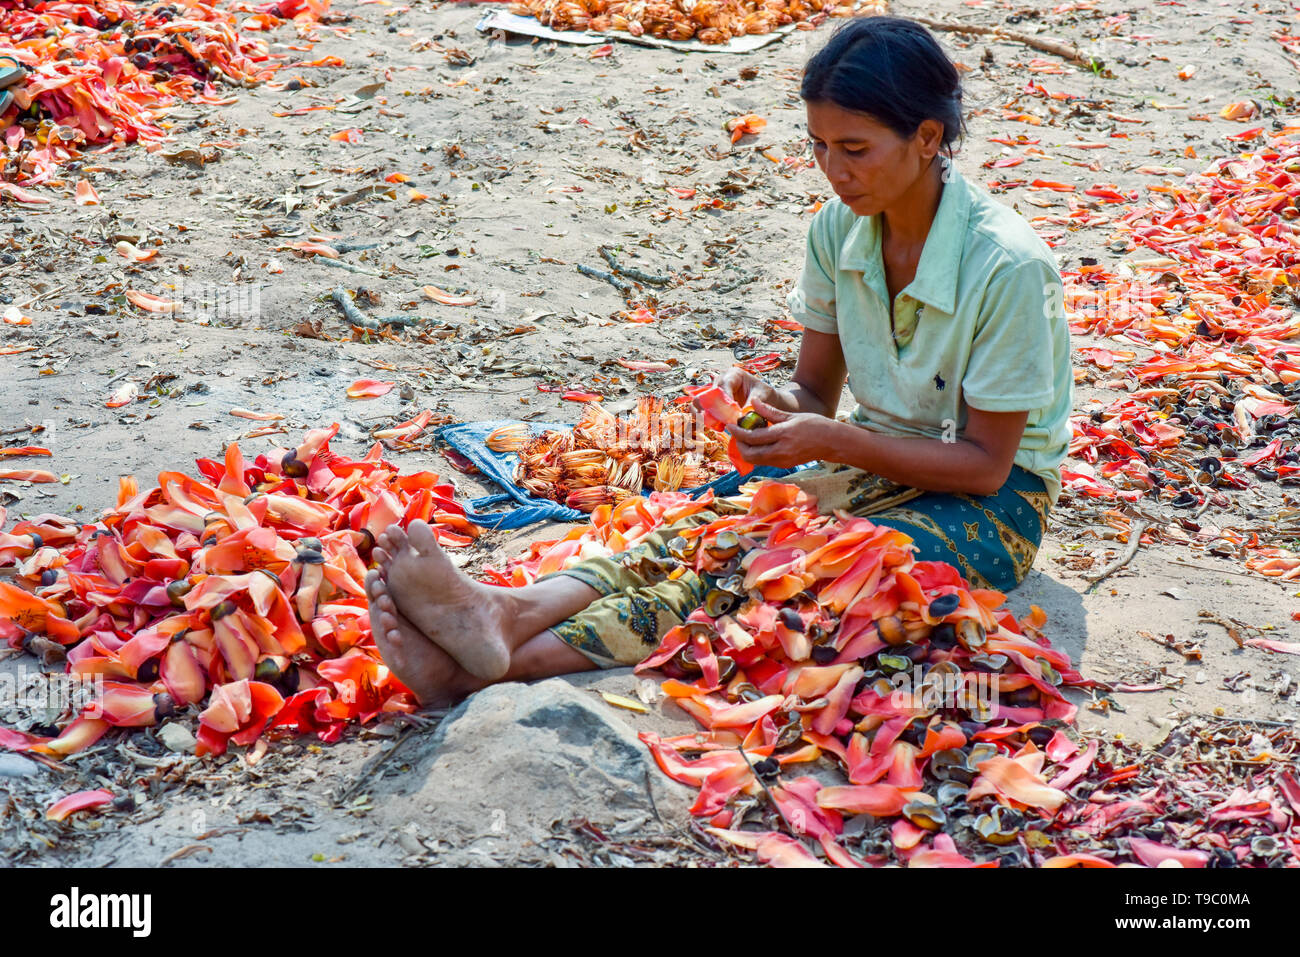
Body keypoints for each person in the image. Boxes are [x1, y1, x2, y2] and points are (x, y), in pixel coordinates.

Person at [363, 15, 1072, 707]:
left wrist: (832, 441)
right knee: (707, 524)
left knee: (772, 574)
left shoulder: (1006, 266)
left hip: (994, 505)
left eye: (855, 149)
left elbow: (985, 463)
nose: (834, 171)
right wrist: (772, 406)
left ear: (926, 137)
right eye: (819, 146)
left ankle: (492, 670)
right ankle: (510, 611)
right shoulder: (838, 231)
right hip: (874, 464)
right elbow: (814, 394)